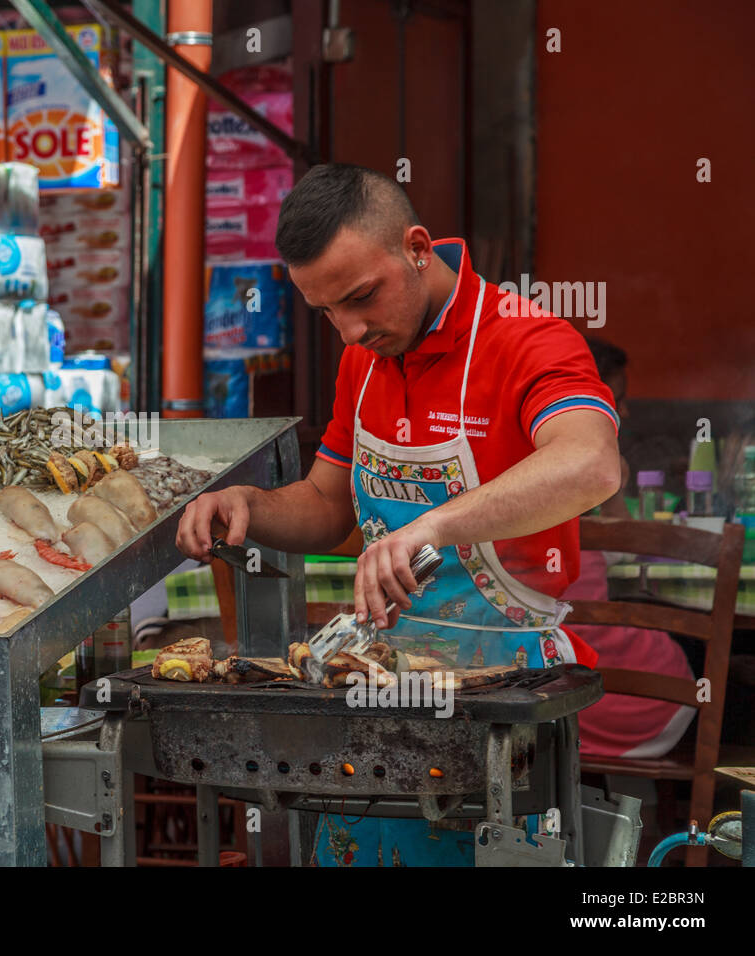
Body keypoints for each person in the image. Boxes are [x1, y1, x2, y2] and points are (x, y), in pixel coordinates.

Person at [175, 163, 622, 865]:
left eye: (360, 297)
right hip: (373, 696)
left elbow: (591, 464)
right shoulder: (366, 358)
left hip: (499, 704)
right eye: (327, 312)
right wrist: (249, 506)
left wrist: (434, 525)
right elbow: (326, 507)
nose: (350, 331)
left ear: (418, 247)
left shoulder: (526, 338)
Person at [563, 337, 696, 758]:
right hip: (633, 702)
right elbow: (627, 548)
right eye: (615, 399)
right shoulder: (602, 467)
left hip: (547, 700)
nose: (623, 411)